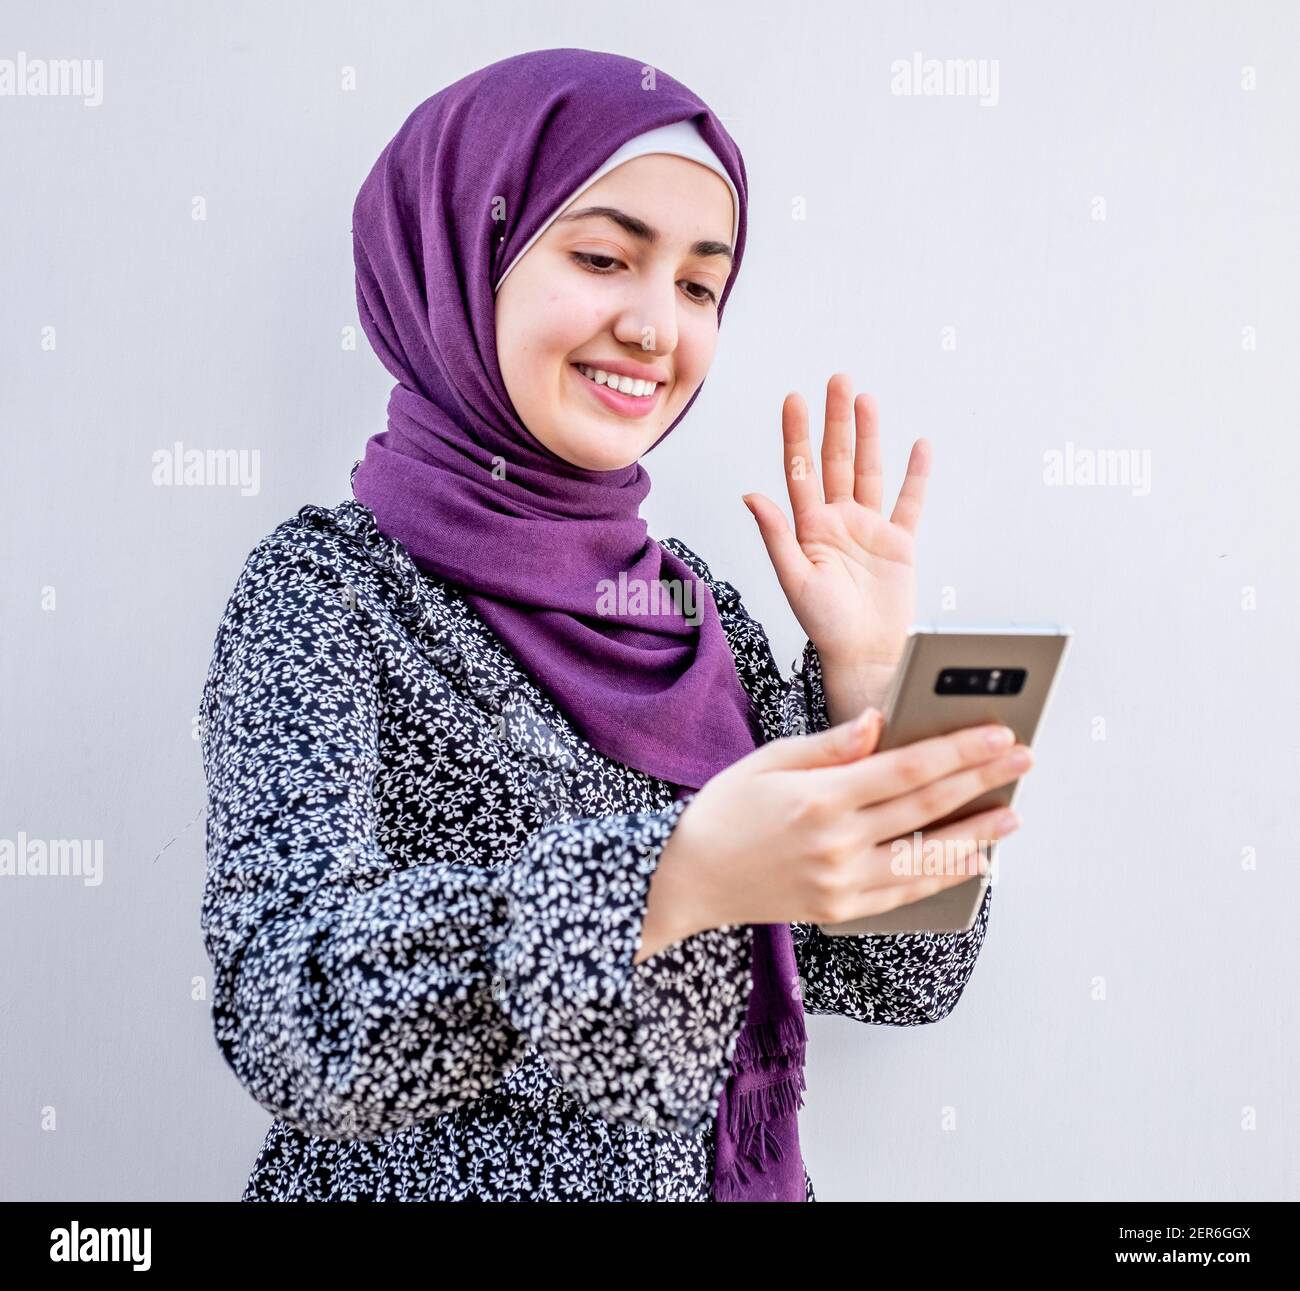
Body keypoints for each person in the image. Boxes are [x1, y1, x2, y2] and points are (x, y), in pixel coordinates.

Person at [198, 46, 1032, 1203]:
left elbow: (897, 977)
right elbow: (291, 1012)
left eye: (699, 284)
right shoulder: (332, 591)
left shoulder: (688, 609)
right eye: (602, 257)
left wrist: (876, 679)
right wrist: (667, 879)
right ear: (455, 259)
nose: (655, 325)